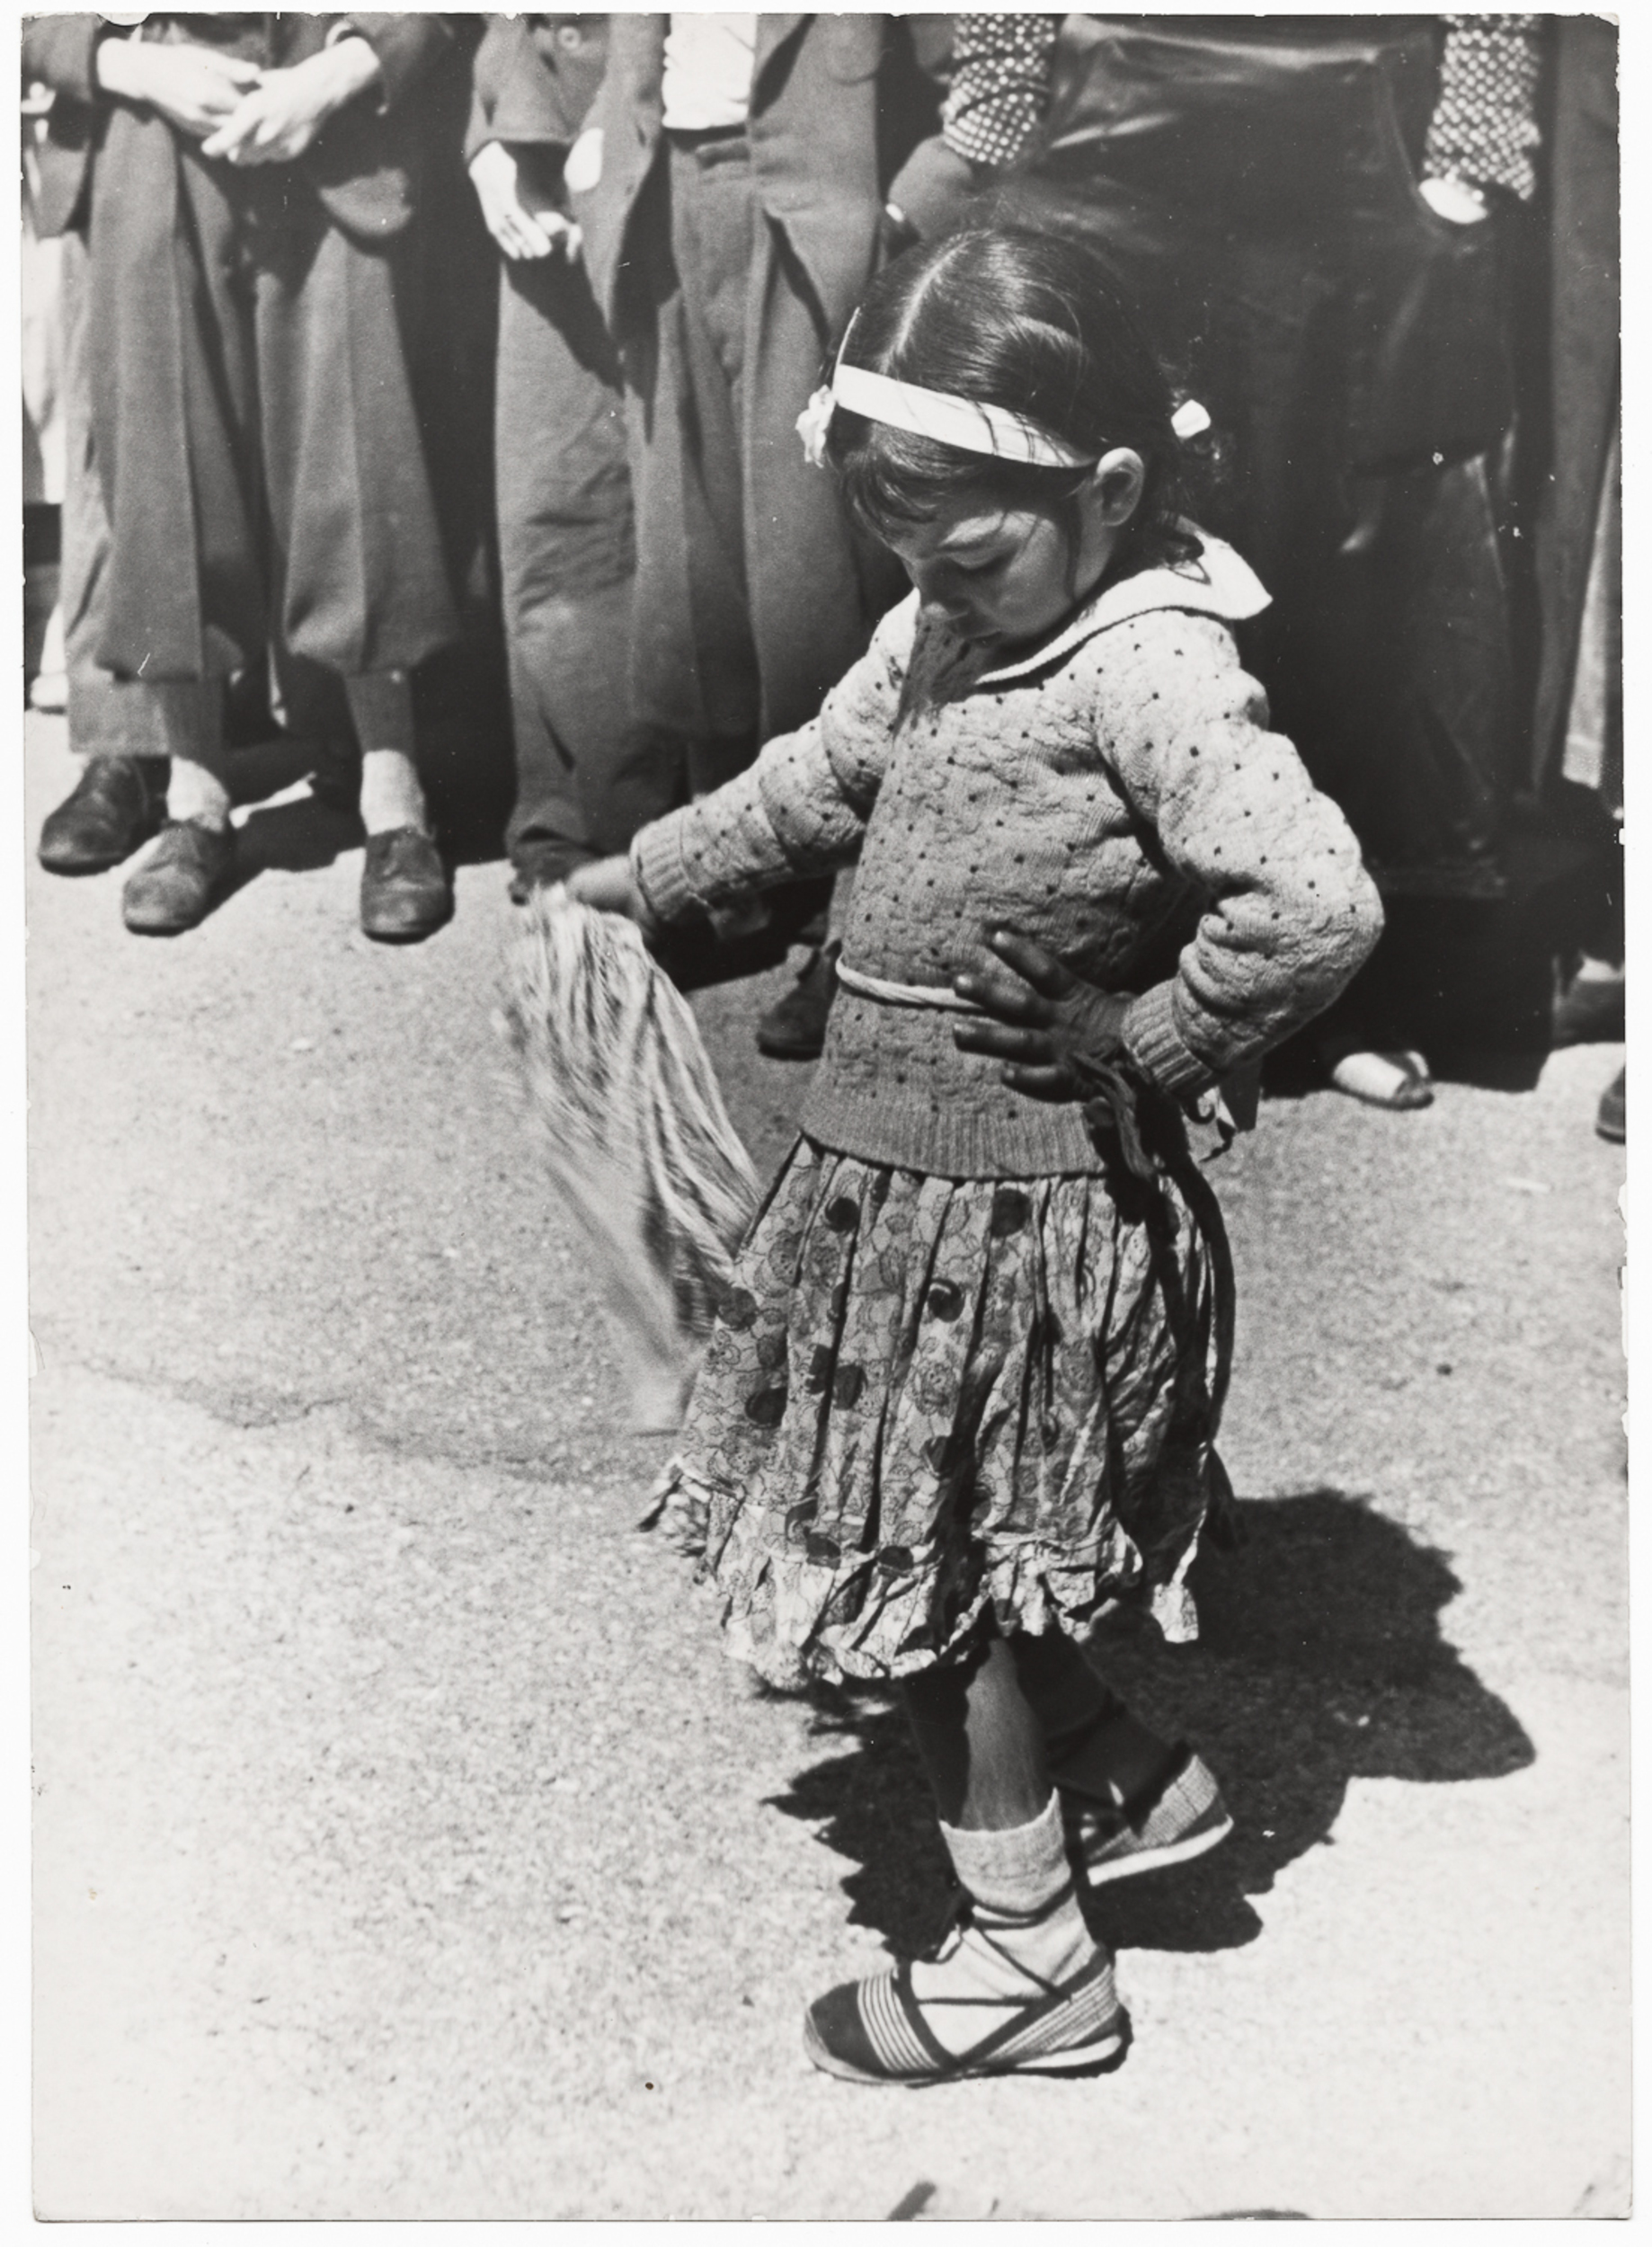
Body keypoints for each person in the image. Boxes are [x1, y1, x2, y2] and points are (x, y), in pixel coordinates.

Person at [569, 229, 1382, 2082]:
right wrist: (642, 885)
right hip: (891, 1187)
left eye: (971, 540)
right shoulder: (949, 621)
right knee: (935, 1553)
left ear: (1104, 486)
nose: (933, 579)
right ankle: (1134, 1781)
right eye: (901, 540)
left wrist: (1148, 1042)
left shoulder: (1151, 666)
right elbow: (815, 785)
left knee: (906, 1584)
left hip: (1005, 1216)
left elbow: (1313, 903)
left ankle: (1027, 1954)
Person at [988, 13, 1546, 1110]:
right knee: (1117, 521)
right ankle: (1106, 961)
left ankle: (1315, 995)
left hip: (1344, 118)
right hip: (1115, 108)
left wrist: (1467, 152)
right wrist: (1001, 106)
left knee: (1344, 548)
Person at [28, 13, 469, 942]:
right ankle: (196, 803)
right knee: (166, 462)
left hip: (334, 115)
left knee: (358, 450)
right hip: (151, 123)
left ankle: (395, 802)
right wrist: (128, 65)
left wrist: (343, 70)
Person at [565, 13, 957, 1052]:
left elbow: (982, 80)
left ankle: (856, 922)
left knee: (812, 579)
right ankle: (728, 882)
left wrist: (897, 216)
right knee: (690, 566)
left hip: (818, 225)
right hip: (665, 203)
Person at [466, 15, 685, 905]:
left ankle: (709, 832)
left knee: (691, 504)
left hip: (685, 139)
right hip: (536, 136)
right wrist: (486, 141)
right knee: (554, 498)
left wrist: (612, 140)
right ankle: (572, 817)